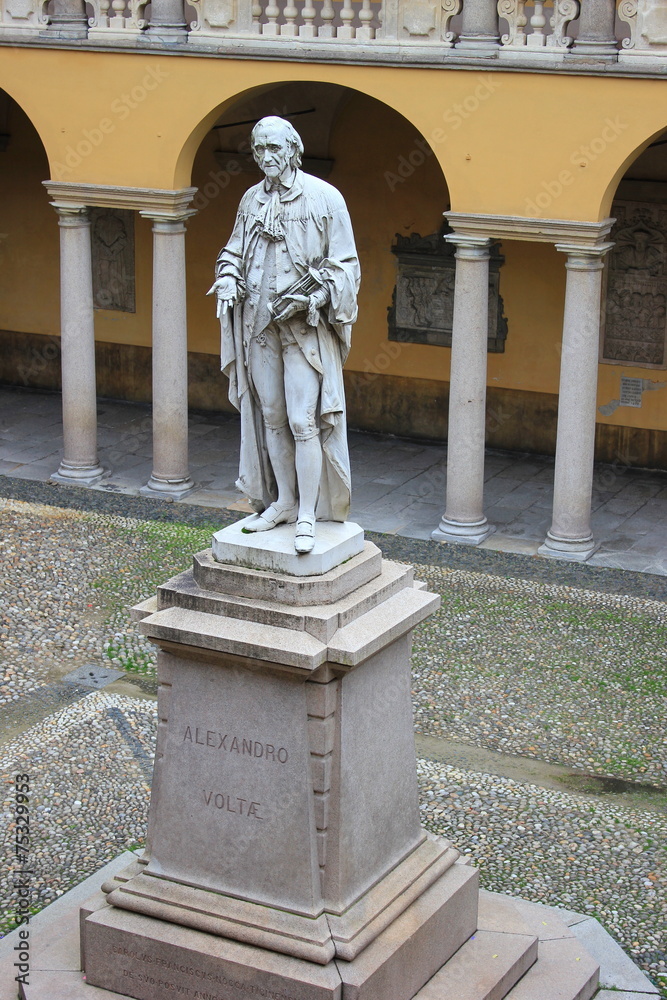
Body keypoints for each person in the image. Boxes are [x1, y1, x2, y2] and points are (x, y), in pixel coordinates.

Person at [208, 116, 360, 554]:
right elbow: (233, 251)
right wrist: (227, 277)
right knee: (271, 415)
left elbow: (347, 267)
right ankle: (285, 502)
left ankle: (310, 514)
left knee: (303, 420)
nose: (266, 158)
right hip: (258, 325)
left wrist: (312, 299)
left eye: (274, 149)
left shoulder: (325, 199)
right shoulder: (251, 201)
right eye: (258, 150)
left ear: (294, 149)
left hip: (304, 328)